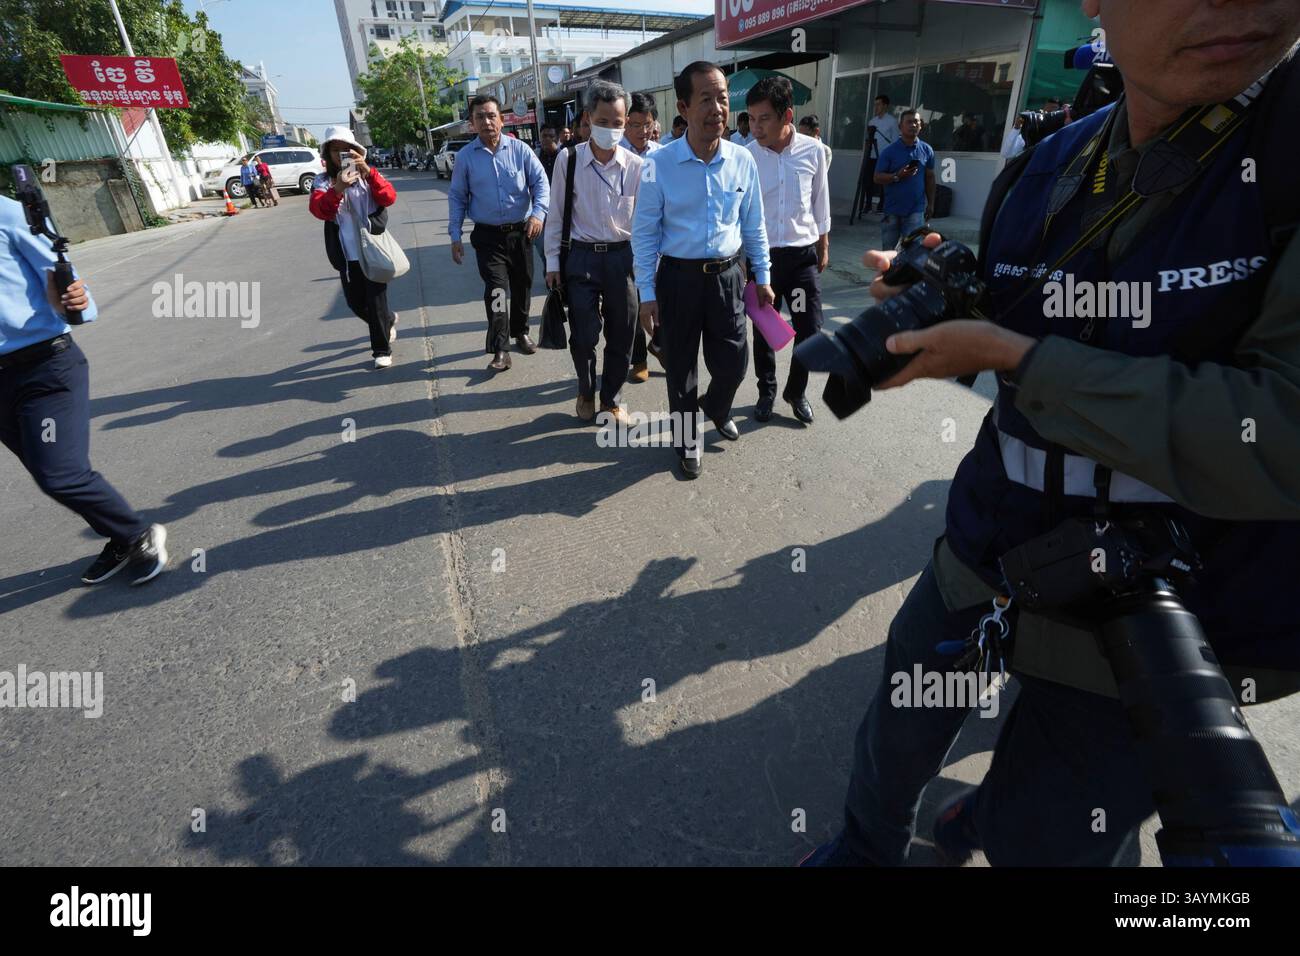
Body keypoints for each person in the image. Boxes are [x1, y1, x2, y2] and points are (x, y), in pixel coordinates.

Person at [803, 0, 1300, 868]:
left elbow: (1282, 429)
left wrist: (1021, 360)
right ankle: (863, 849)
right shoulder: (1052, 164)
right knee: (897, 739)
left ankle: (984, 823)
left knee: (1056, 835)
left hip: (1166, 603)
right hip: (987, 544)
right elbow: (1017, 320)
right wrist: (947, 312)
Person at [0, 196, 168, 587]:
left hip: (42, 368)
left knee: (60, 474)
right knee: (47, 471)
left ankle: (137, 531)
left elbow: (57, 274)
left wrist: (76, 302)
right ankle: (119, 536)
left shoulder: (8, 212)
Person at [632, 61, 773, 480]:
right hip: (677, 279)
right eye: (706, 99)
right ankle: (687, 439)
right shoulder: (660, 164)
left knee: (733, 363)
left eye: (723, 98)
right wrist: (646, 293)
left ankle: (716, 408)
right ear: (683, 106)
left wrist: (763, 276)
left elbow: (754, 224)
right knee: (680, 368)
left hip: (729, 277)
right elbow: (644, 234)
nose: (717, 108)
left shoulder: (742, 160)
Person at [543, 80, 643, 427]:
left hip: (622, 258)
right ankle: (586, 390)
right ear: (588, 118)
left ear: (626, 120)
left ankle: (611, 399)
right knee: (584, 335)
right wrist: (553, 262)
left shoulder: (636, 166)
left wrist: (647, 268)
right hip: (581, 258)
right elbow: (555, 215)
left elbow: (645, 223)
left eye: (618, 123)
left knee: (622, 332)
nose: (611, 130)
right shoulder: (567, 161)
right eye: (603, 122)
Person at [746, 76, 830, 426]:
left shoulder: (812, 151)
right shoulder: (747, 156)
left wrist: (823, 245)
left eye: (763, 118)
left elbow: (820, 201)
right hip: (761, 260)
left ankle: (796, 391)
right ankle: (766, 391)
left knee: (809, 327)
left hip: (800, 258)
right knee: (766, 329)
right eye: (750, 118)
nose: (755, 126)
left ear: (787, 116)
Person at [449, 93, 550, 372]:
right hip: (488, 237)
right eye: (479, 116)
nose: (486, 121)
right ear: (472, 123)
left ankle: (520, 332)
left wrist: (538, 214)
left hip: (521, 233)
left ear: (502, 119)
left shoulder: (520, 150)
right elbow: (457, 197)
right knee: (496, 289)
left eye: (491, 115)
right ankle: (500, 348)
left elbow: (541, 184)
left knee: (523, 285)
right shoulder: (466, 158)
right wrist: (455, 236)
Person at [309, 125, 400, 369]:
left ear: (357, 152)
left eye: (346, 150)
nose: (341, 155)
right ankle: (388, 320)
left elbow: (389, 198)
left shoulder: (369, 176)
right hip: (347, 254)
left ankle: (381, 349)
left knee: (376, 301)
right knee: (355, 303)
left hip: (372, 249)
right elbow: (319, 210)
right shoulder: (322, 182)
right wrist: (337, 188)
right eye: (335, 150)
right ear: (328, 155)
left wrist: (368, 172)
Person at [623, 91, 664, 383]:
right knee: (634, 304)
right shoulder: (615, 153)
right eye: (634, 124)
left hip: (658, 243)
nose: (641, 131)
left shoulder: (662, 155)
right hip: (624, 243)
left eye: (646, 124)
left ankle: (661, 344)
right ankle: (639, 359)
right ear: (625, 124)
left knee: (661, 300)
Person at [873, 109, 935, 250]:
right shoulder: (889, 151)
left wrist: (931, 204)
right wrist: (897, 176)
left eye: (916, 122)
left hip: (916, 211)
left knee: (914, 252)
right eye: (909, 122)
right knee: (888, 254)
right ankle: (888, 273)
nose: (913, 125)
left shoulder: (927, 150)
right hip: (892, 210)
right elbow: (877, 177)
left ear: (920, 126)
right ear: (900, 126)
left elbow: (930, 178)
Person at [862, 95, 900, 214]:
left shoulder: (892, 121)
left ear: (885, 106)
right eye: (875, 104)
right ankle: (867, 205)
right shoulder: (872, 121)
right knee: (868, 180)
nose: (876, 107)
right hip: (871, 155)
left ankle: (881, 206)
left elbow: (895, 140)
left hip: (885, 157)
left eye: (879, 104)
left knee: (884, 181)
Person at [622, 92, 661, 158]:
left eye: (648, 125)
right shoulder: (612, 153)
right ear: (624, 123)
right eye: (636, 125)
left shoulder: (660, 152)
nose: (644, 131)